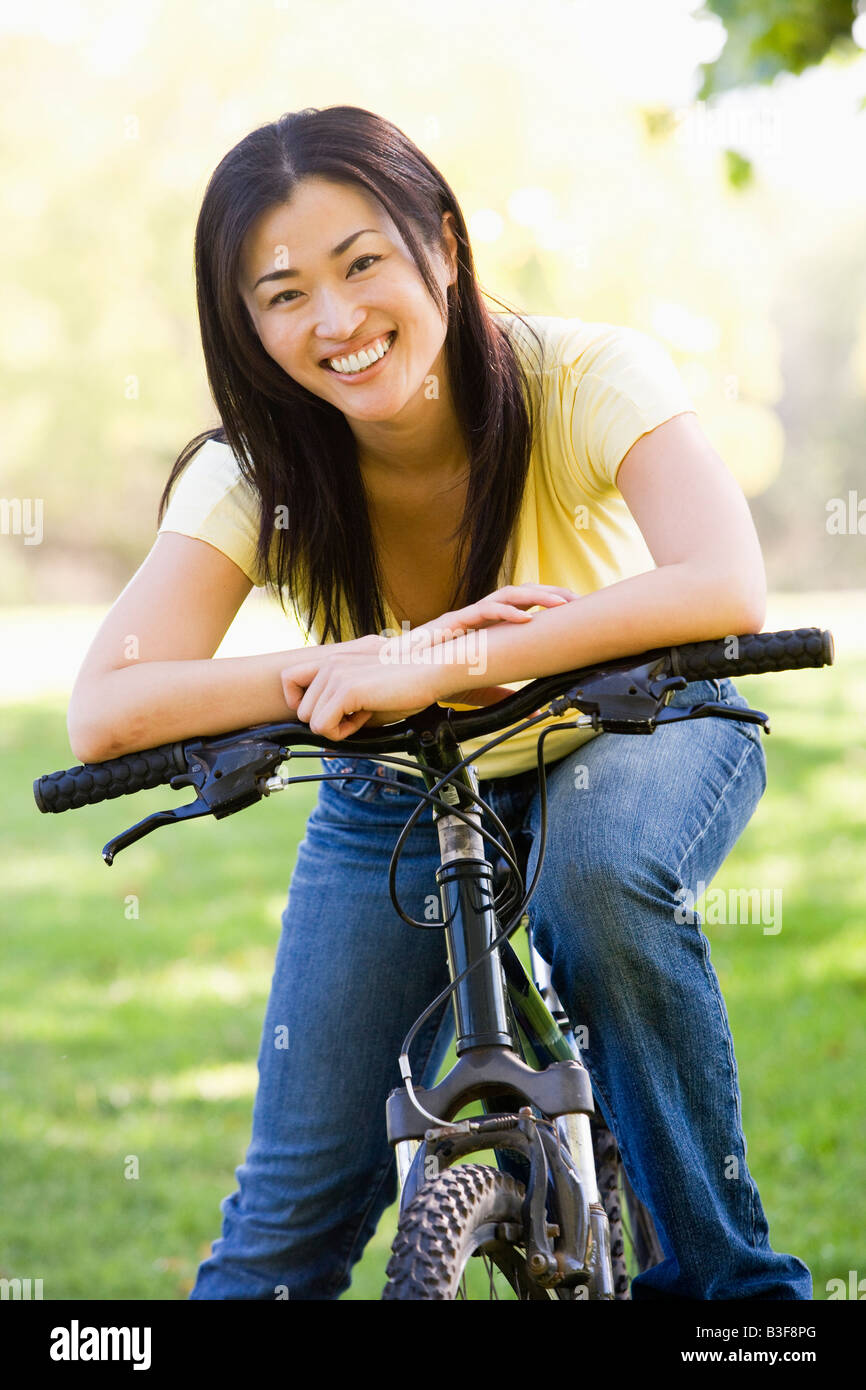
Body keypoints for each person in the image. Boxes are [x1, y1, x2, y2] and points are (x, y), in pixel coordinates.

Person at [66, 104, 812, 1300]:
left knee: (598, 886)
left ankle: (739, 1307)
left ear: (444, 246)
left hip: (630, 713)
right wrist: (365, 664)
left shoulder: (578, 373)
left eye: (362, 262)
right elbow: (106, 706)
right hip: (398, 772)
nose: (338, 319)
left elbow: (723, 582)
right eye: (284, 293)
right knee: (280, 1233)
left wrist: (440, 664)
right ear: (247, 327)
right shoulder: (255, 472)